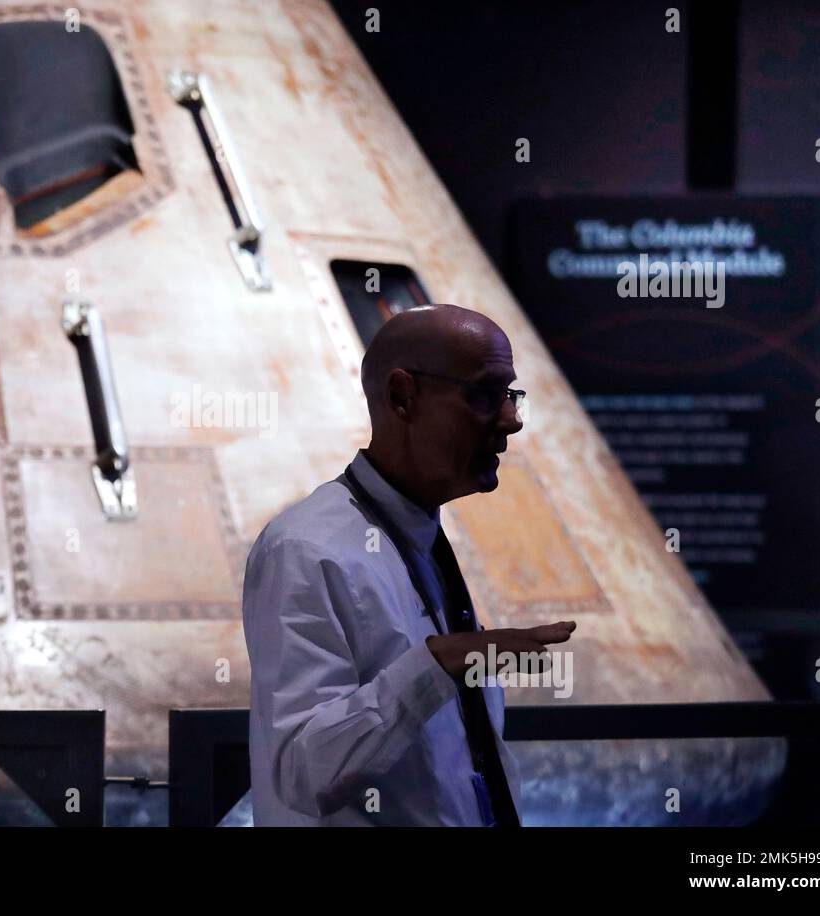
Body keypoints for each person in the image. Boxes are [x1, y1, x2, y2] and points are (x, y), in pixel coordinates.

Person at [243, 304, 576, 826]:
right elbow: (301, 772)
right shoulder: (307, 549)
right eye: (486, 396)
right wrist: (433, 667)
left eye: (511, 396)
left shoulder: (422, 539)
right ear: (403, 396)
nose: (511, 420)